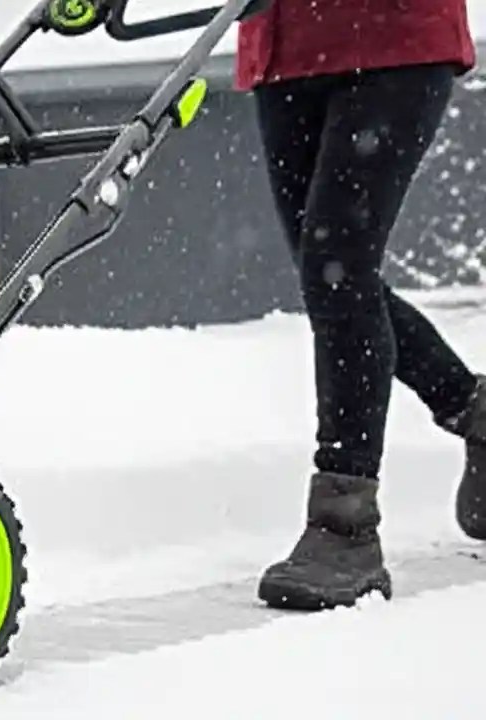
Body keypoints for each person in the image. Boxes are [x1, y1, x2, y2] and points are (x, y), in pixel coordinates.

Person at [232, 0, 486, 610]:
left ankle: (344, 527)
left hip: (393, 35)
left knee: (336, 267)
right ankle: (473, 409)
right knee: (334, 275)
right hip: (285, 47)